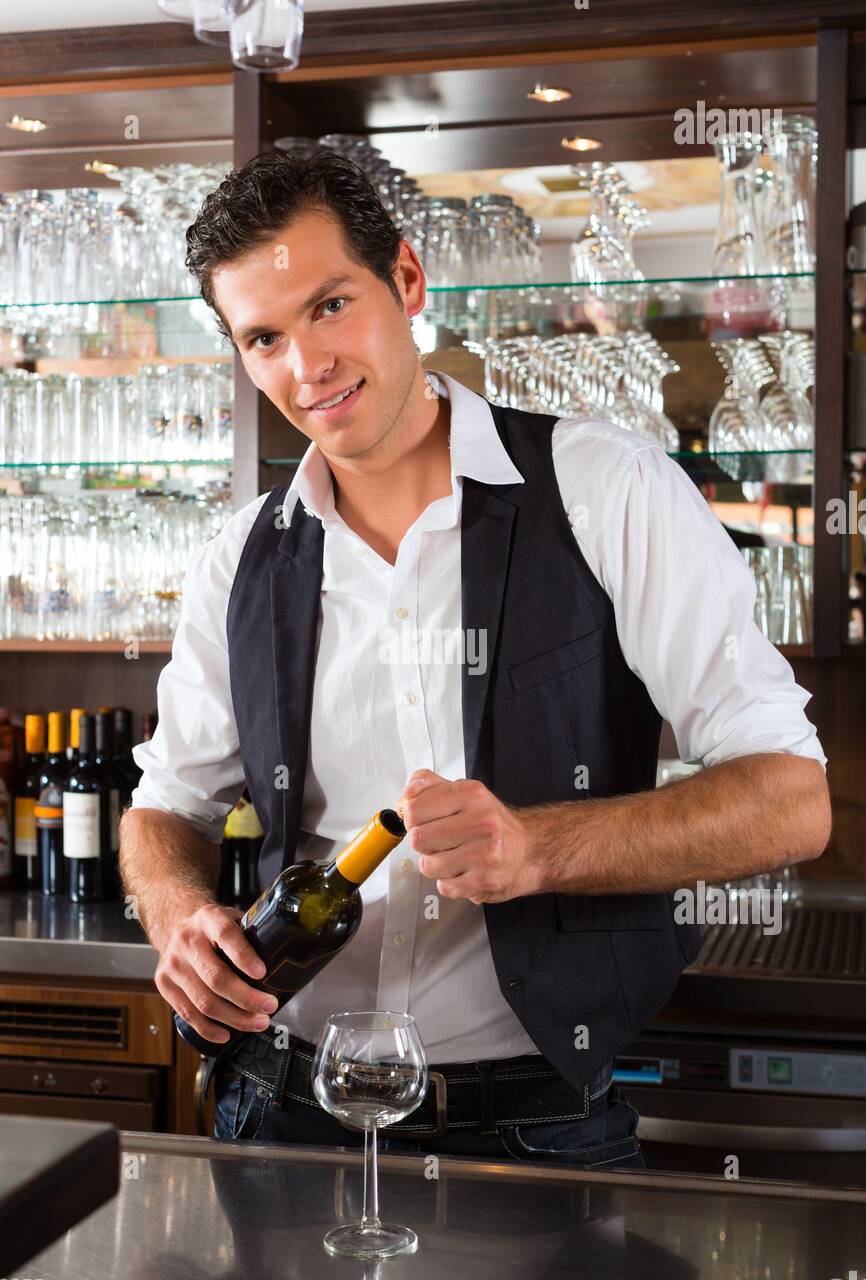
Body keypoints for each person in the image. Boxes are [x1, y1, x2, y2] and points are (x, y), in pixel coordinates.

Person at [120, 151, 830, 1169]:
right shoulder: (242, 557)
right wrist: (181, 916)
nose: (304, 366)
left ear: (406, 281)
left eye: (330, 306)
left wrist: (535, 848)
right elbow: (162, 809)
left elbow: (789, 799)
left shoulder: (601, 488)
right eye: (263, 337)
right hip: (283, 1117)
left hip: (538, 1132)